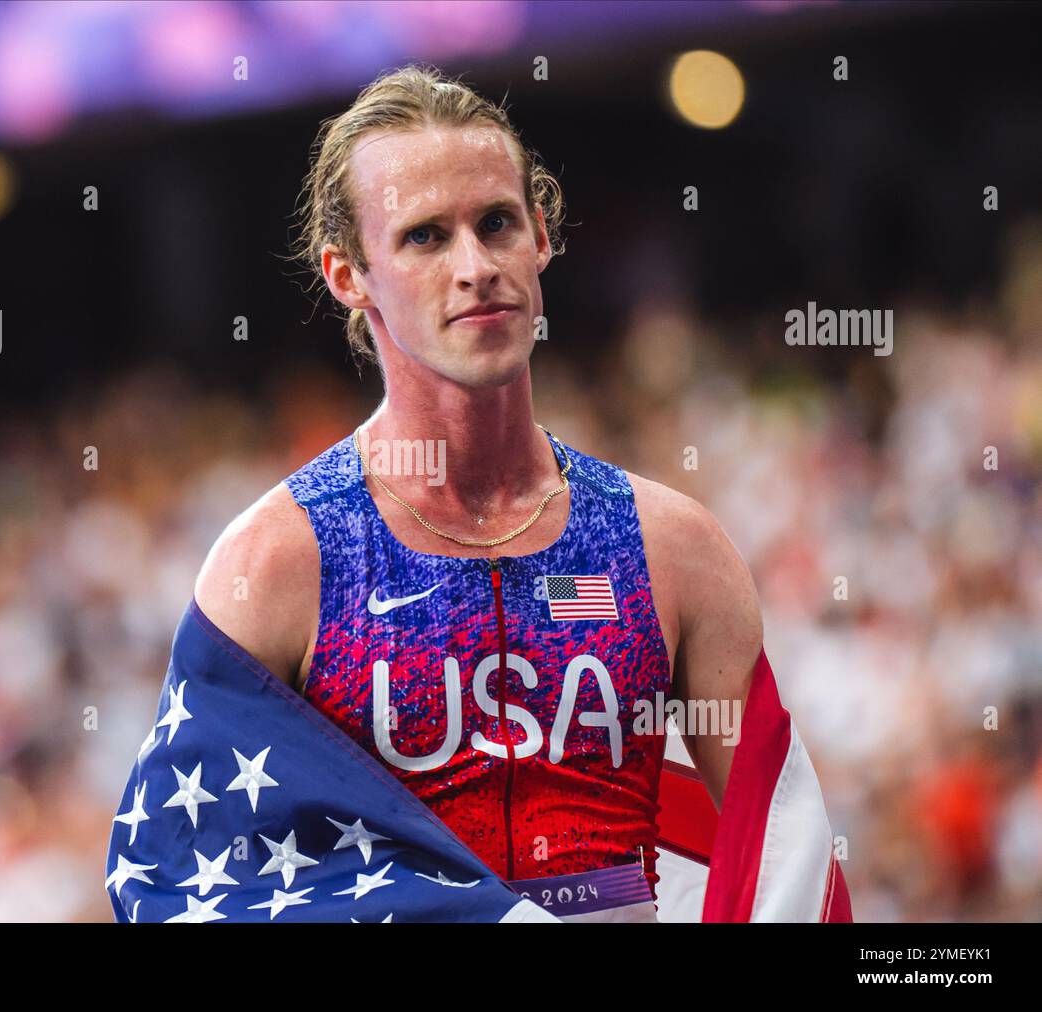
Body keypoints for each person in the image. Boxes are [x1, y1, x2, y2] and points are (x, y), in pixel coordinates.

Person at [192, 64, 762, 923]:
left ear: (541, 235)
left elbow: (778, 846)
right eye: (425, 237)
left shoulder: (673, 548)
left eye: (496, 223)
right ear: (348, 275)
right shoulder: (275, 564)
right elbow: (192, 878)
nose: (476, 267)